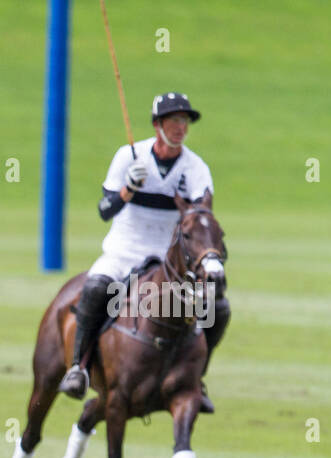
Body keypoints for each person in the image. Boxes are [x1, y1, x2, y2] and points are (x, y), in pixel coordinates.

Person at [60, 91, 230, 411]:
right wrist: (128, 189)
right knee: (96, 289)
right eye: (173, 120)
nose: (180, 127)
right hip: (125, 249)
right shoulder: (128, 157)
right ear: (157, 125)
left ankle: (197, 377)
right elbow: (105, 210)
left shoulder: (195, 168)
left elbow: (199, 219)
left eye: (184, 121)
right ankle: (78, 368)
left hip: (171, 259)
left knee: (218, 307)